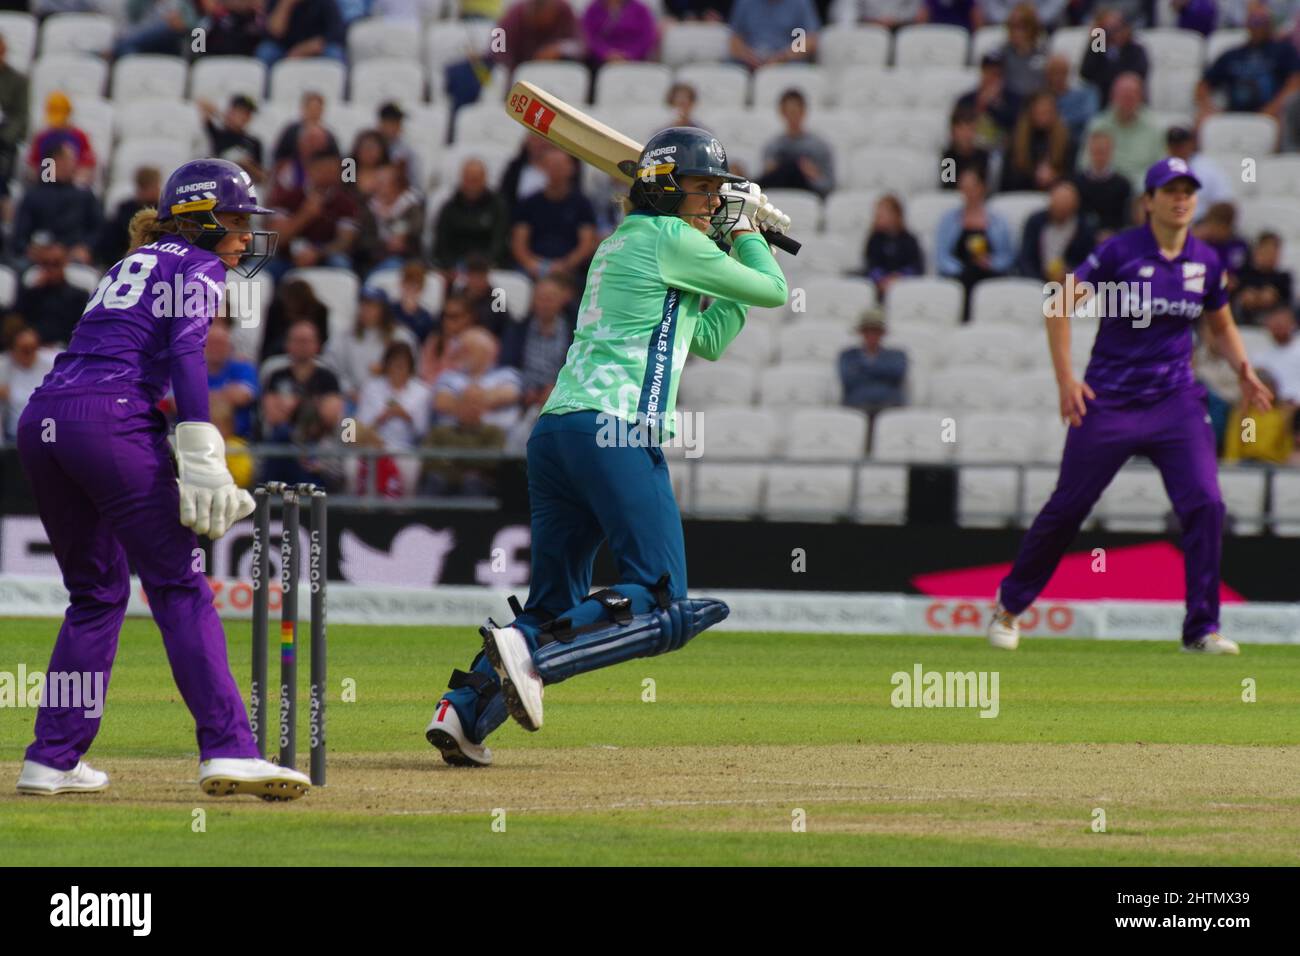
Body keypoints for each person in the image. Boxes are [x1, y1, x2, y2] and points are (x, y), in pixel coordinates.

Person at [424, 126, 791, 767]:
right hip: (615, 428)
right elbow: (773, 288)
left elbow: (706, 338)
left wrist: (734, 247)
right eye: (702, 188)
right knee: (662, 597)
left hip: (557, 433)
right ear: (666, 188)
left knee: (553, 603)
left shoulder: (627, 241)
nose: (712, 201)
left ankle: (462, 712)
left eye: (718, 191)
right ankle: (533, 657)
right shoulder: (671, 238)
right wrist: (748, 233)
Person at [12, 158, 310, 798]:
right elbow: (185, 350)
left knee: (95, 595)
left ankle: (52, 757)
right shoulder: (197, 264)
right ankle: (228, 748)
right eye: (235, 220)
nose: (244, 235)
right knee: (178, 583)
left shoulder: (130, 263)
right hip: (110, 419)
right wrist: (201, 445)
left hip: (43, 420)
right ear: (199, 218)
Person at [988, 157, 1273, 656]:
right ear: (1148, 201)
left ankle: (1201, 629)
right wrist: (1066, 380)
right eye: (1170, 191)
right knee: (1068, 508)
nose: (1181, 199)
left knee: (1206, 504)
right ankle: (1008, 607)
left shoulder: (1206, 260)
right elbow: (1058, 304)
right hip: (1109, 401)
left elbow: (1221, 324)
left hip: (1175, 402)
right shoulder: (1118, 252)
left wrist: (1244, 369)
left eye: (1188, 191)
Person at [936, 166, 1014, 315]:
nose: (968, 193)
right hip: (959, 276)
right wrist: (962, 269)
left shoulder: (998, 221)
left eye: (972, 187)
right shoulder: (948, 220)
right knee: (967, 277)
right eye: (964, 188)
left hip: (989, 274)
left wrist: (991, 263)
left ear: (982, 188)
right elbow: (942, 256)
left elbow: (1007, 256)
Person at [510, 150, 599, 280]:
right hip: (532, 267)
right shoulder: (529, 203)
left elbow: (587, 244)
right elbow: (518, 242)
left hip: (570, 269)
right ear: (543, 168)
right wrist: (532, 264)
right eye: (551, 165)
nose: (556, 170)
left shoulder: (582, 204)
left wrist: (565, 265)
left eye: (560, 166)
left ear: (571, 169)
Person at [324, 286, 419, 401]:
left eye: (372, 306)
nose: (366, 309)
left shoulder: (402, 337)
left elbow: (412, 371)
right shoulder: (344, 336)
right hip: (353, 399)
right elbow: (331, 368)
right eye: (363, 304)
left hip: (394, 398)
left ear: (384, 310)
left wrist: (386, 371)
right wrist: (349, 390)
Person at [1077, 72, 1165, 193]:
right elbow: (1084, 164)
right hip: (1105, 188)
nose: (1127, 103)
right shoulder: (1098, 125)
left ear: (1141, 98)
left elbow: (1161, 166)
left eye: (1131, 97)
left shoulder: (1154, 126)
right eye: (1123, 97)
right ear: (1113, 97)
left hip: (1141, 189)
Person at [11, 237, 90, 347]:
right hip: (33, 348)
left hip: (65, 348)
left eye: (55, 264)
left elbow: (82, 329)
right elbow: (16, 322)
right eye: (46, 263)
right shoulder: (30, 294)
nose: (50, 268)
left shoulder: (79, 296)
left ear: (65, 263)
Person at [432, 158, 509, 269]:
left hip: (487, 267)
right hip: (455, 266)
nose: (471, 184)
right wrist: (451, 265)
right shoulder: (449, 207)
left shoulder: (497, 206)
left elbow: (499, 242)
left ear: (484, 179)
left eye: (475, 180)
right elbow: (441, 243)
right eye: (468, 179)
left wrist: (482, 265)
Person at [759, 88, 835, 197]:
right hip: (778, 188)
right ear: (782, 113)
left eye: (795, 112)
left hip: (807, 189)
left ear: (803, 112)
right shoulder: (772, 146)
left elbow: (829, 185)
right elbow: (767, 180)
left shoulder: (819, 146)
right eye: (789, 112)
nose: (792, 117)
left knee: (792, 167)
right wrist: (771, 170)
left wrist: (815, 175)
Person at [1017, 179, 1094, 283]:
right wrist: (1037, 281)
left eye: (1065, 208)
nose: (1061, 211)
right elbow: (1025, 258)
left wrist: (1070, 272)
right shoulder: (1035, 222)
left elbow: (1088, 262)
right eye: (1057, 207)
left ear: (1075, 207)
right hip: (1036, 281)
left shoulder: (1084, 228)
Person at [1000, 90, 1074, 193]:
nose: (1043, 117)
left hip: (1054, 194)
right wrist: (1034, 176)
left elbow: (1072, 177)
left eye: (1047, 112)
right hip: (1022, 193)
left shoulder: (1066, 140)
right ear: (1031, 113)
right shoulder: (1017, 140)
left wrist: (1055, 177)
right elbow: (1007, 180)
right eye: (1039, 112)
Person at [838, 309, 907, 411]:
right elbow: (848, 379)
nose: (871, 335)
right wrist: (882, 374)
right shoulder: (848, 356)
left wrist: (863, 368)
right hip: (856, 405)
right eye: (867, 331)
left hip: (888, 405)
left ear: (882, 333)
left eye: (876, 331)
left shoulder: (897, 355)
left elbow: (897, 373)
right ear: (861, 333)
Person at [93, 165, 161, 268]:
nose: (159, 190)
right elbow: (109, 244)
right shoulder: (125, 210)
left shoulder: (163, 210)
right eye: (155, 186)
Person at [0, 324, 56, 440]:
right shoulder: (3, 366)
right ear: (12, 348)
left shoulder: (52, 361)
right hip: (15, 437)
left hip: (49, 434)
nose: (30, 353)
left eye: (33, 348)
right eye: (25, 349)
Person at [1072, 129, 1131, 236]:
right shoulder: (1077, 183)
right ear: (1089, 151)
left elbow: (1124, 219)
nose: (1099, 156)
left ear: (1111, 152)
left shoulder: (1123, 185)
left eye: (1103, 151)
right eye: (1096, 151)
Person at [728, 0, 820, 68]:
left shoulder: (800, 3)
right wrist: (748, 57)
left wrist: (782, 57)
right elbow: (734, 39)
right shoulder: (745, 2)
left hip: (788, 65)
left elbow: (811, 40)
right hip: (750, 65)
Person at [862, 194, 923, 297]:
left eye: (883, 214)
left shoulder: (909, 240)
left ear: (896, 215)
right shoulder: (874, 240)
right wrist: (881, 279)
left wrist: (899, 277)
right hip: (879, 287)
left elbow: (916, 266)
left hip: (905, 287)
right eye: (877, 214)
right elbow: (870, 264)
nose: (878, 217)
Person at [257, 0, 346, 65]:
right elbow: (274, 33)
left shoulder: (325, 2)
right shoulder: (276, 2)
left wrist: (303, 50)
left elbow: (335, 34)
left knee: (334, 52)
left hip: (316, 48)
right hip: (286, 49)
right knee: (266, 51)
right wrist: (286, 5)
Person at [198, 94, 265, 181]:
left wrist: (247, 165)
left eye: (248, 114)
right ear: (231, 111)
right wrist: (225, 117)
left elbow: (263, 178)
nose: (245, 117)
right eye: (241, 112)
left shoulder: (253, 142)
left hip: (240, 186)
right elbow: (202, 103)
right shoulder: (217, 134)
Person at [1234, 232, 1292, 326]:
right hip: (1243, 321)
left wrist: (1273, 297)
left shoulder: (1283, 278)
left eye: (1274, 252)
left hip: (1272, 323)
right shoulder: (1243, 274)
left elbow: (1287, 303)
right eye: (1266, 251)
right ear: (1256, 251)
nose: (1270, 256)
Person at [581, 0, 658, 66]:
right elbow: (589, 37)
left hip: (635, 61)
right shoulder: (593, 10)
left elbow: (647, 37)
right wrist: (607, 54)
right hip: (601, 61)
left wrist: (628, 55)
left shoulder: (640, 10)